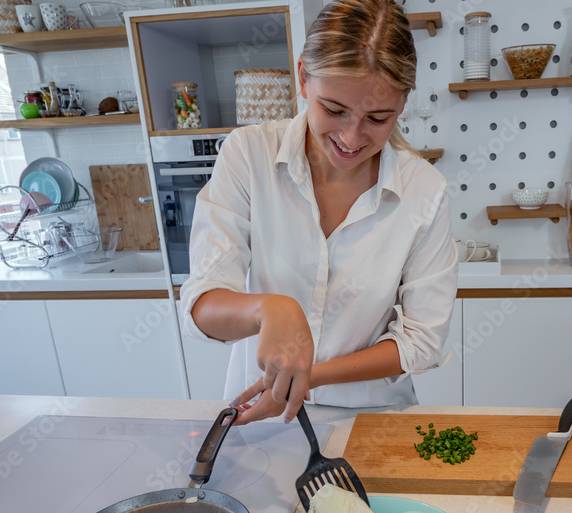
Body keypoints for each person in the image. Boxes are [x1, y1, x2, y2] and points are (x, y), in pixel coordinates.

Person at [179, 0, 457, 425]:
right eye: (334, 109)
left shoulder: (424, 191)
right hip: (260, 417)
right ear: (303, 78)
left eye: (377, 118)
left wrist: (305, 379)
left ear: (402, 104)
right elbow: (203, 304)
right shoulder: (248, 155)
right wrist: (269, 308)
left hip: (373, 419)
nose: (351, 137)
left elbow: (422, 342)